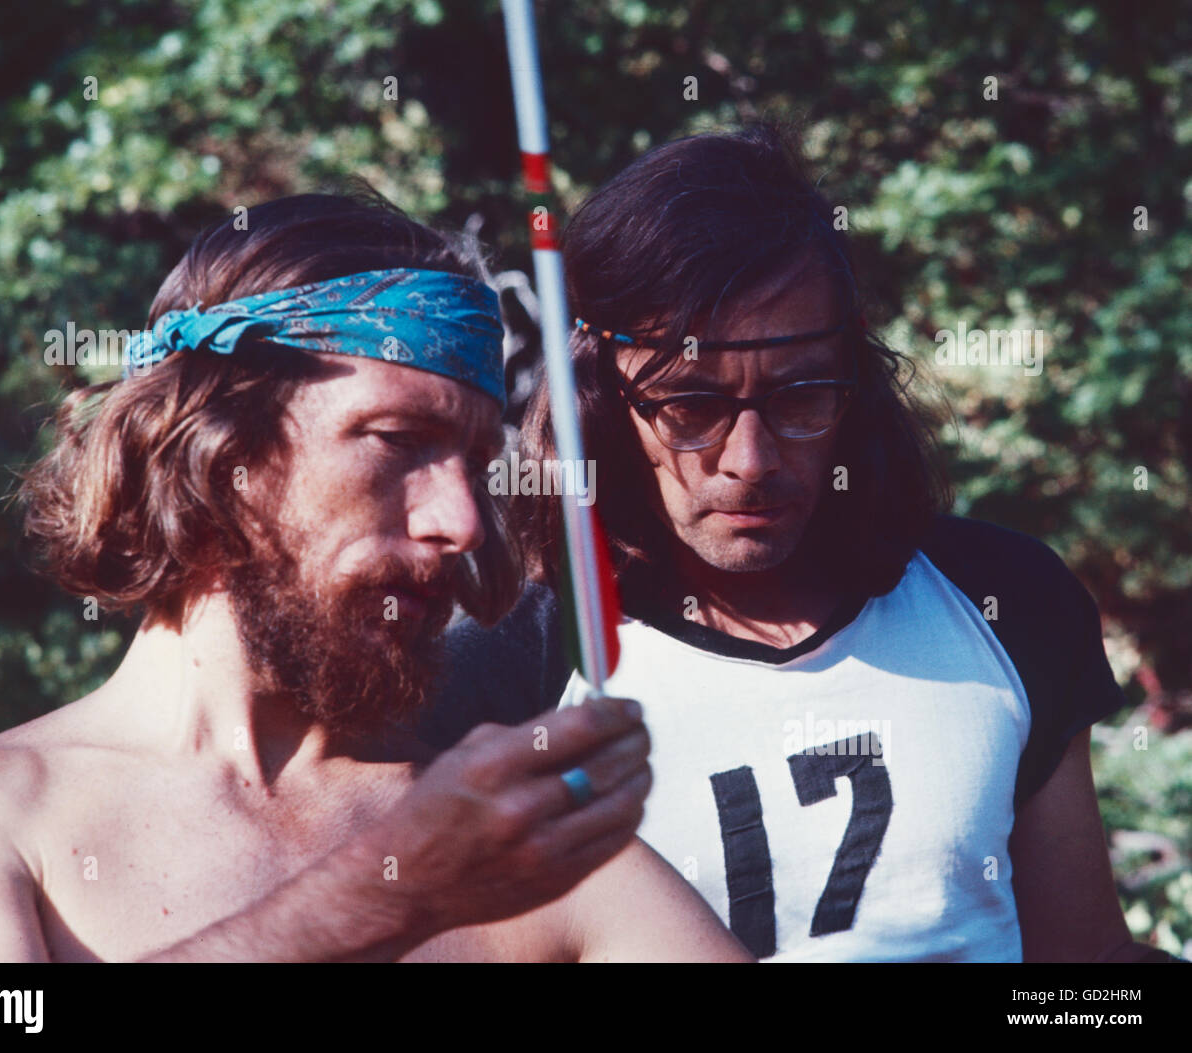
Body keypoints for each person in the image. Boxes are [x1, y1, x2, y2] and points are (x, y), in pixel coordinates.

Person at [0, 189, 750, 963]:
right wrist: (388, 896)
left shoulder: (526, 853)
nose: (459, 522)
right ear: (218, 449)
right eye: (398, 441)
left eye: (477, 463)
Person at [418, 127, 1181, 963]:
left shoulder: (1005, 601)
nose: (751, 461)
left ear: (858, 385)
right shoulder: (509, 679)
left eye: (802, 396)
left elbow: (1086, 975)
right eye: (691, 407)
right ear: (599, 398)